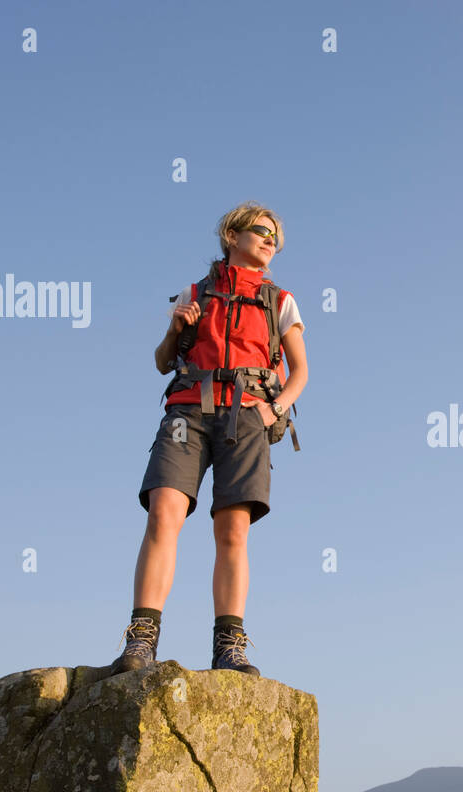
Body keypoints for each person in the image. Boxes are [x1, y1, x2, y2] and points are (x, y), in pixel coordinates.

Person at [111, 201, 309, 678]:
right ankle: (141, 640)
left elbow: (300, 370)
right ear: (231, 235)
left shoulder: (279, 300)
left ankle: (229, 647)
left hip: (247, 416)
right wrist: (176, 327)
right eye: (262, 232)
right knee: (163, 514)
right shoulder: (194, 293)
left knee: (233, 531)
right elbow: (163, 361)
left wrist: (272, 409)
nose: (270, 242)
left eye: (276, 238)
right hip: (187, 413)